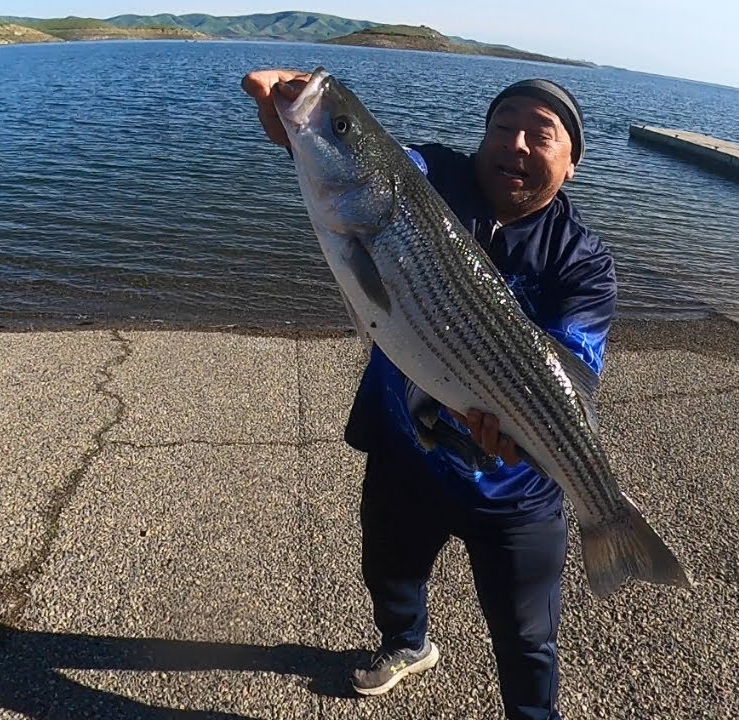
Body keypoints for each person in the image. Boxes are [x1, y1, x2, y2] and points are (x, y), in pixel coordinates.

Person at [242, 68, 617, 720]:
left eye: (540, 134)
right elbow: (360, 159)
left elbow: (575, 368)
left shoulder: (581, 260)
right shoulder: (425, 177)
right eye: (503, 127)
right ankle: (407, 644)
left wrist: (535, 441)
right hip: (406, 455)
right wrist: (294, 117)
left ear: (572, 163)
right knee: (390, 574)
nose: (517, 144)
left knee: (528, 641)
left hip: (516, 486)